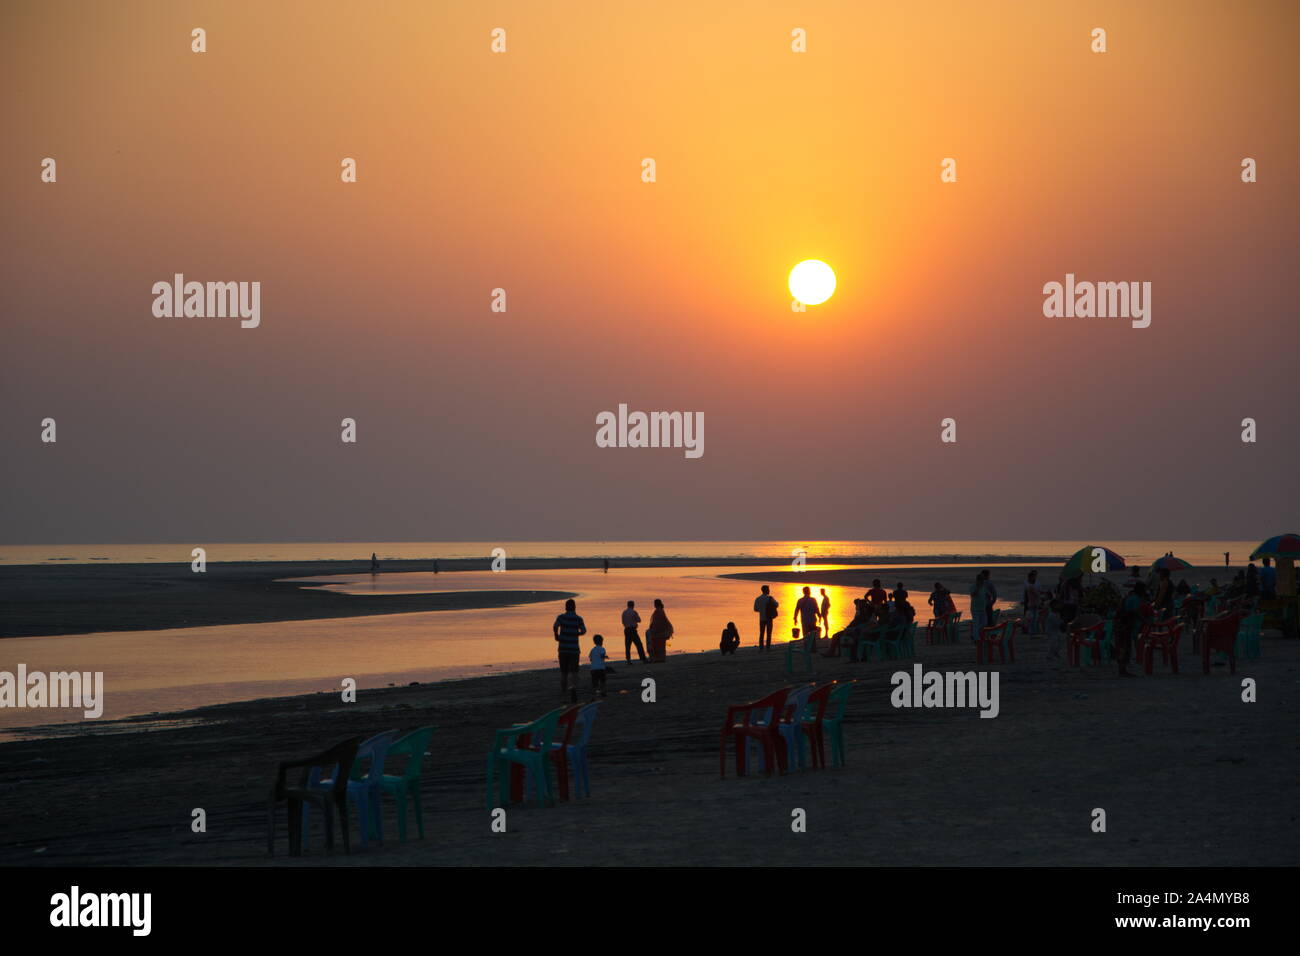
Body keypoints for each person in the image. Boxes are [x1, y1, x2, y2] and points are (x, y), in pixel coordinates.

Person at [553, 598, 586, 703]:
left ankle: (564, 693)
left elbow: (555, 626)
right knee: (574, 672)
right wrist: (576, 634)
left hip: (563, 648)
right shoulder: (578, 619)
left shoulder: (561, 617)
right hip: (574, 649)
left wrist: (556, 635)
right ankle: (574, 689)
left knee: (564, 672)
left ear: (566, 607)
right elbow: (584, 630)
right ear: (575, 607)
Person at [1112, 582, 1145, 676]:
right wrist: (1145, 621)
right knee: (1124, 646)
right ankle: (1122, 670)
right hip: (1124, 625)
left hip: (1120, 624)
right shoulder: (1136, 598)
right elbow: (1135, 612)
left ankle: (1122, 669)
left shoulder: (1130, 596)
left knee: (1122, 646)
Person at [754, 585, 778, 650]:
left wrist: (761, 610)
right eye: (768, 589)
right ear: (766, 590)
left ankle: (761, 647)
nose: (769, 591)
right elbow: (777, 604)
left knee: (761, 633)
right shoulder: (770, 598)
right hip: (769, 618)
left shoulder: (758, 599)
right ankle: (768, 647)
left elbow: (755, 609)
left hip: (762, 618)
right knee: (769, 633)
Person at [969, 571, 988, 641]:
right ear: (978, 580)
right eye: (982, 580)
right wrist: (978, 587)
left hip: (982, 608)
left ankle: (974, 634)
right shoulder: (973, 586)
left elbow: (986, 595)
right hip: (975, 609)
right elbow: (973, 594)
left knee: (984, 623)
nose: (983, 582)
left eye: (983, 580)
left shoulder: (984, 587)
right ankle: (976, 639)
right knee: (976, 624)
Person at [1022, 570, 1039, 634]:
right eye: (1034, 576)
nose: (1035, 578)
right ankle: (1031, 631)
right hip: (1032, 604)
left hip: (1031, 603)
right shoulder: (1029, 585)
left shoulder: (1035, 584)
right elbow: (1037, 595)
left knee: (1032, 618)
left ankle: (1031, 631)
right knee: (1032, 618)